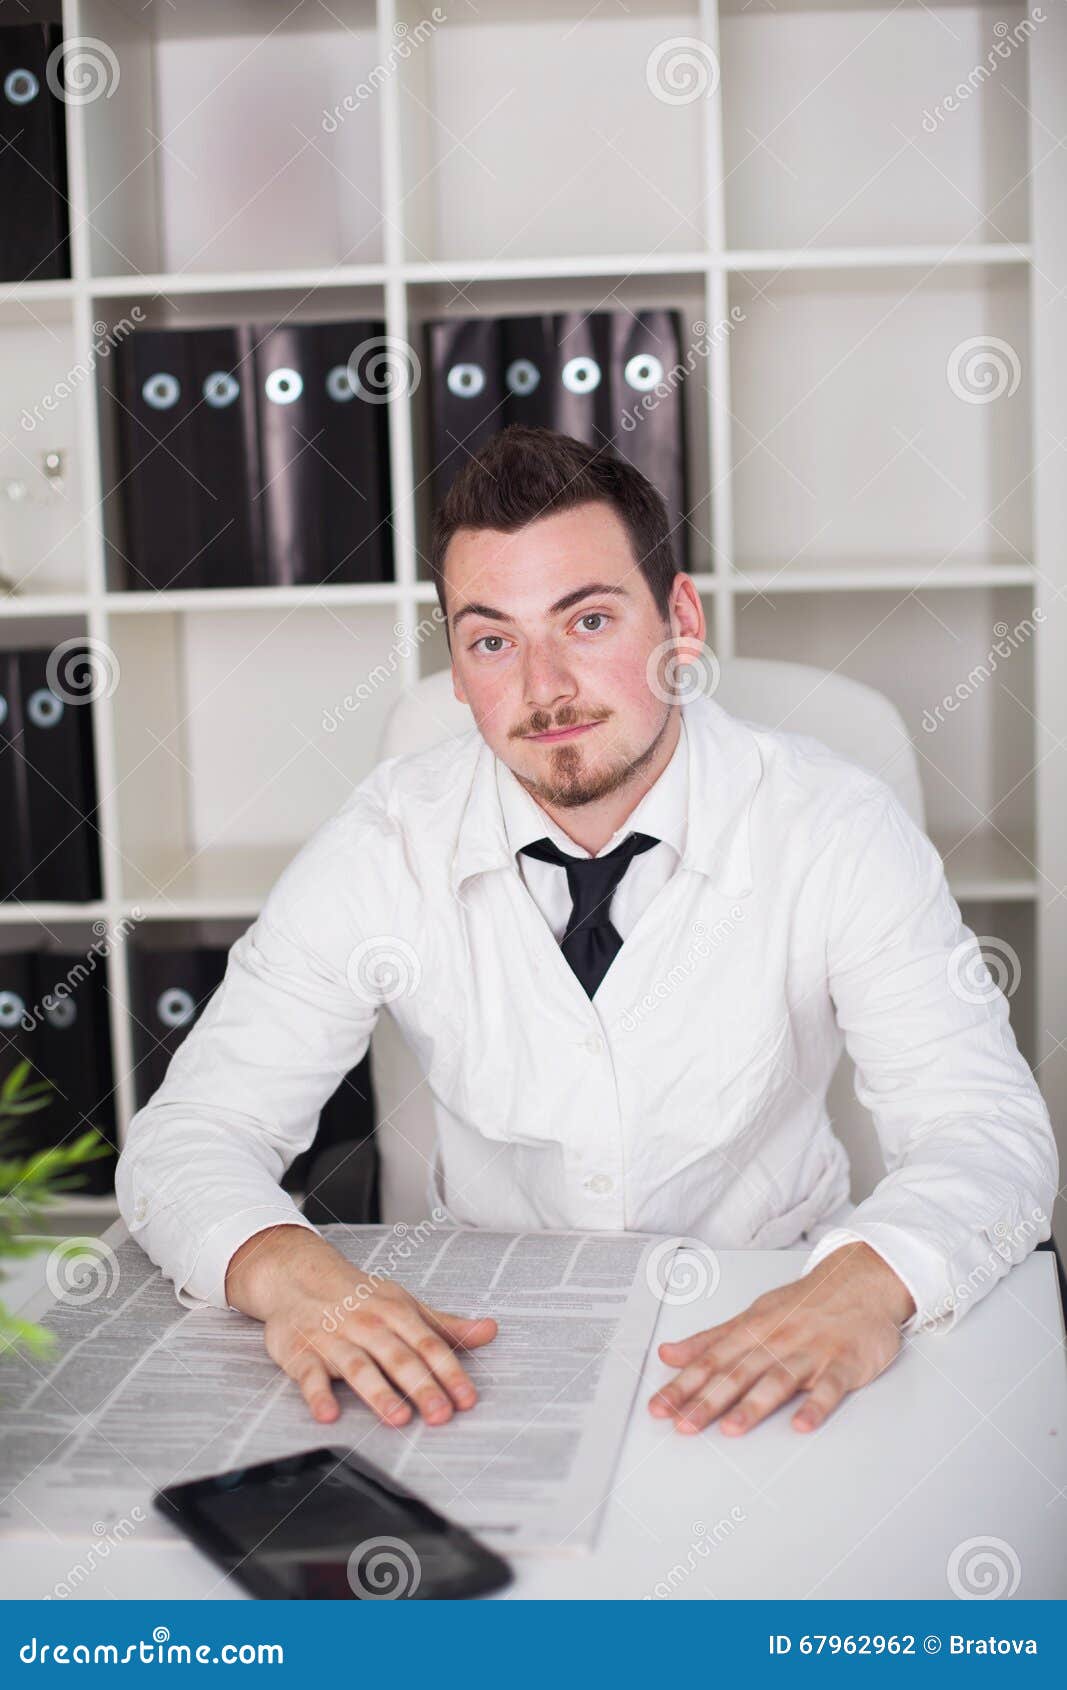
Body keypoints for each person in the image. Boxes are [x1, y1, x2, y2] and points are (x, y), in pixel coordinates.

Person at [116, 424, 1058, 1440]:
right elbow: (188, 1137)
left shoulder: (833, 823)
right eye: (491, 640)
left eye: (589, 620)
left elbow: (988, 1133)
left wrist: (872, 1282)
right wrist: (285, 1267)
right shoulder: (387, 836)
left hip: (773, 1309)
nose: (543, 685)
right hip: (479, 1343)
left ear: (679, 620)